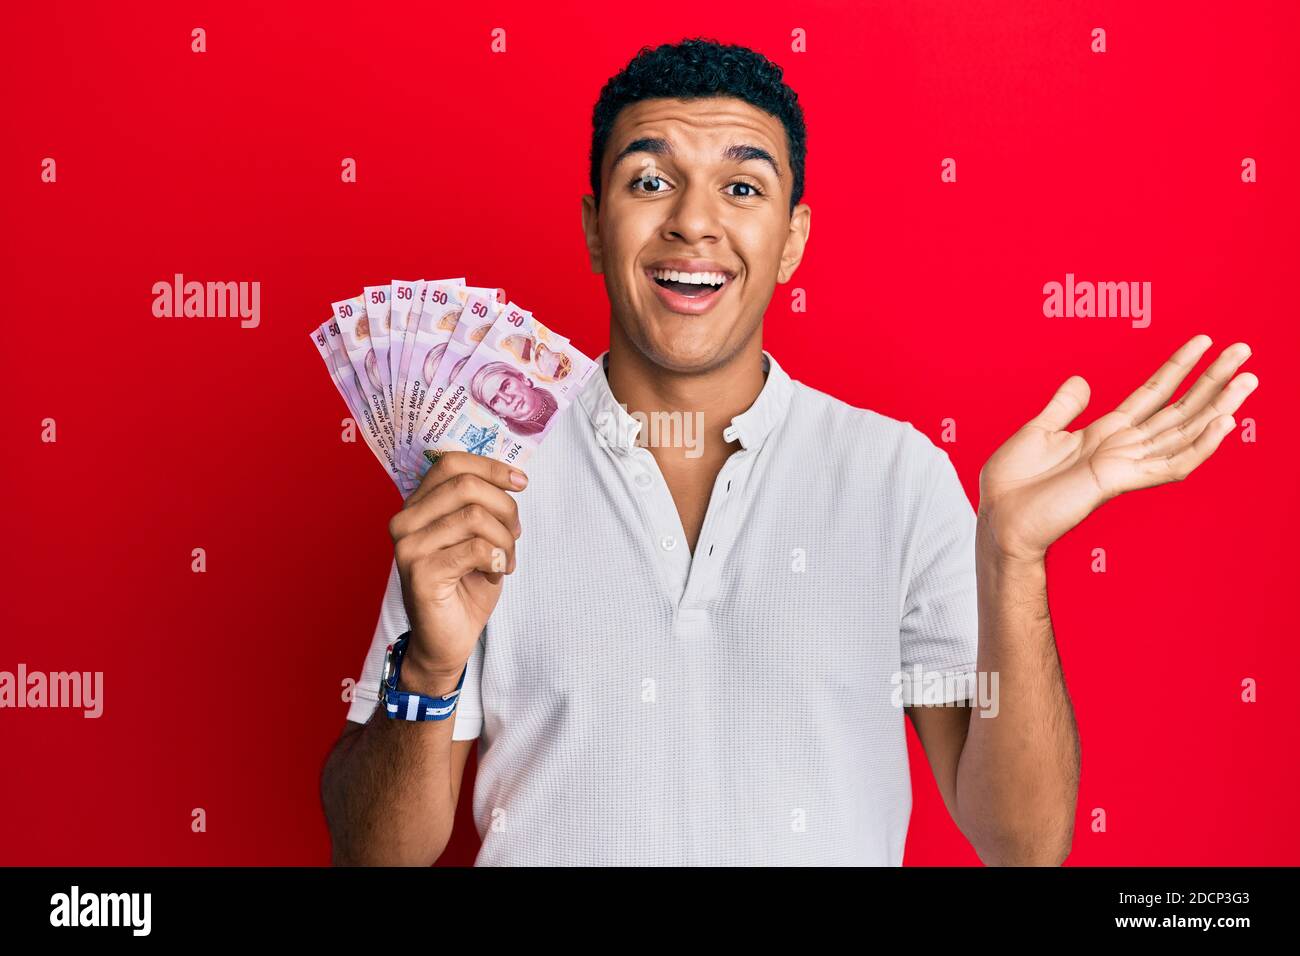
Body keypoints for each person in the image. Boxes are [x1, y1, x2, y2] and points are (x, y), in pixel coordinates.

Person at [320, 38, 1258, 866]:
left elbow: (1022, 845)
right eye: (650, 181)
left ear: (792, 239)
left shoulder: (897, 478)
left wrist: (1012, 560)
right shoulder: (479, 476)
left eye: (742, 185)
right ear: (594, 231)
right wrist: (428, 673)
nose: (693, 220)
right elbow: (376, 857)